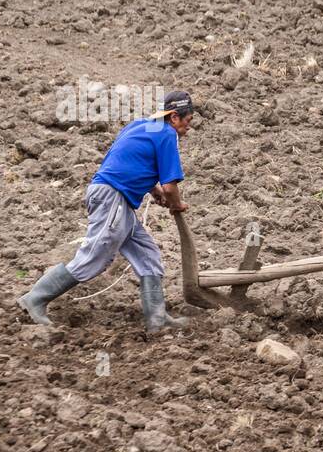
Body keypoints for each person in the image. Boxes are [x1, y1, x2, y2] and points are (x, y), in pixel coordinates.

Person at [17, 90, 198, 333]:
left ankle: (157, 318)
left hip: (114, 195)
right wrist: (175, 204)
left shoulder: (141, 125)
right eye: (188, 122)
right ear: (174, 117)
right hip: (113, 197)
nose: (188, 129)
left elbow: (126, 160)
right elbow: (171, 185)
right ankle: (35, 298)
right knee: (95, 255)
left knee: (148, 255)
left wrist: (152, 189)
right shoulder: (166, 133)